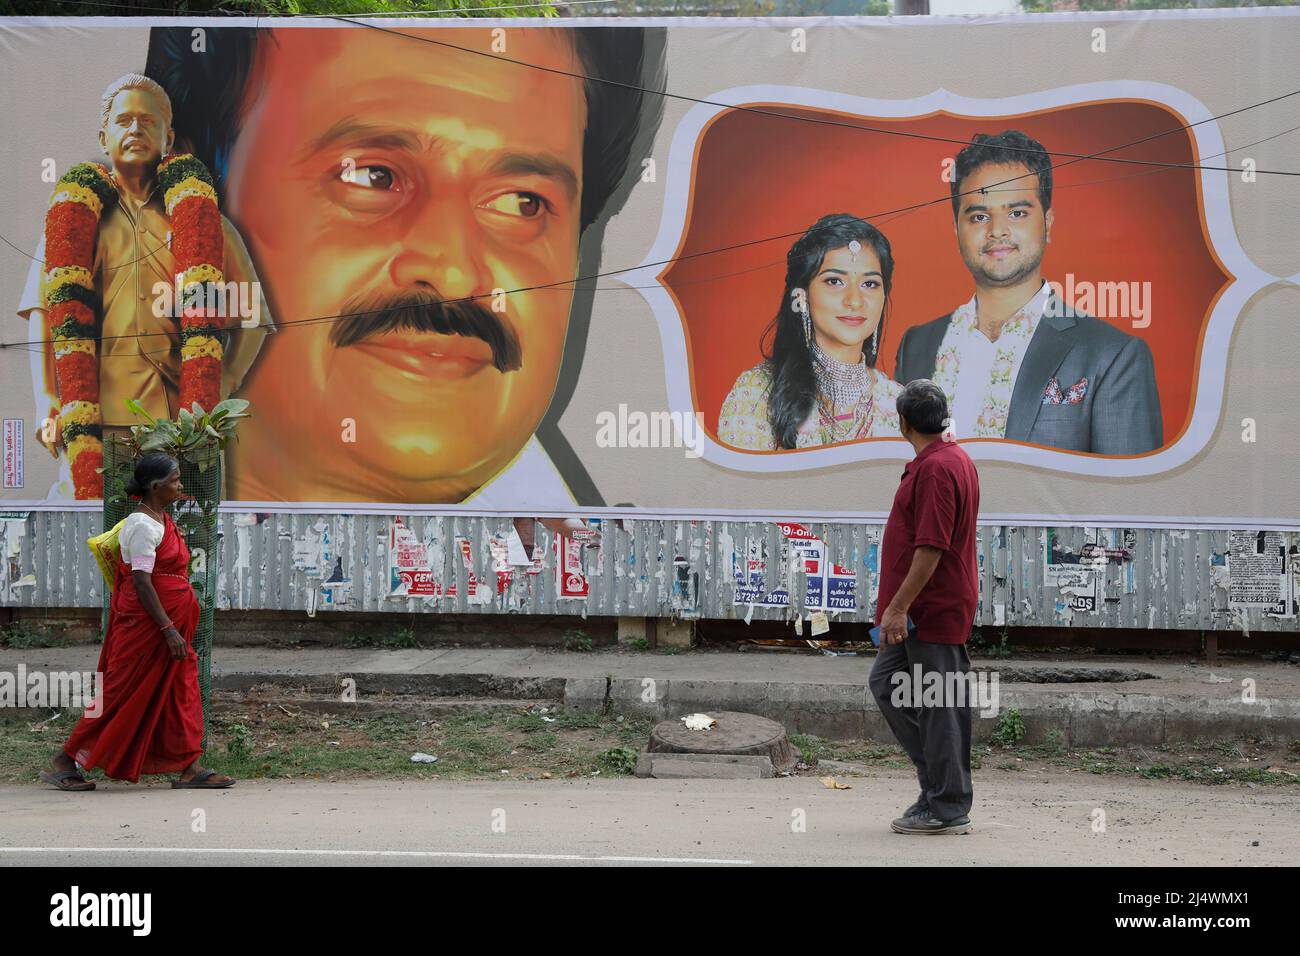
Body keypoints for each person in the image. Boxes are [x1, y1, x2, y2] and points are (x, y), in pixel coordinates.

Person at [143, 24, 661, 504]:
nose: (455, 273)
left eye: (521, 202)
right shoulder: (108, 544)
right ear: (189, 206)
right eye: (373, 177)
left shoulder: (596, 585)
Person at [16, 73, 274, 481]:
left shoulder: (207, 225)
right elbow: (43, 313)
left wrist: (221, 385)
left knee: (186, 539)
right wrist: (46, 396)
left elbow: (254, 318)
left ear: (168, 137)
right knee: (96, 538)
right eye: (124, 121)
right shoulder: (71, 224)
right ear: (104, 138)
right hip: (97, 423)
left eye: (148, 121)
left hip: (180, 428)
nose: (136, 129)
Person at [894, 130, 1162, 454]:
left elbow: (1126, 498)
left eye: (1017, 213)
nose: (997, 230)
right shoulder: (918, 347)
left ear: (1047, 224)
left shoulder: (1112, 356)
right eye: (979, 216)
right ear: (956, 230)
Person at [40, 453, 235, 791]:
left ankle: (190, 767)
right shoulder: (142, 526)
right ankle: (64, 760)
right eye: (174, 480)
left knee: (178, 690)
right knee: (119, 694)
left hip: (169, 626)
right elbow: (142, 582)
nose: (179, 486)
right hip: (150, 629)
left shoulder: (159, 518)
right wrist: (168, 629)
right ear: (155, 486)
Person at [868, 380, 979, 835]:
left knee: (939, 706)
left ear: (904, 423)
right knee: (887, 684)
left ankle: (947, 805)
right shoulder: (944, 460)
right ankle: (935, 785)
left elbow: (930, 548)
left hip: (929, 609)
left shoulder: (938, 468)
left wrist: (896, 609)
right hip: (918, 611)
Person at [718, 214, 902, 450]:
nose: (855, 301)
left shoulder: (900, 405)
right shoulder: (757, 393)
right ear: (802, 296)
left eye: (870, 284)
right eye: (835, 281)